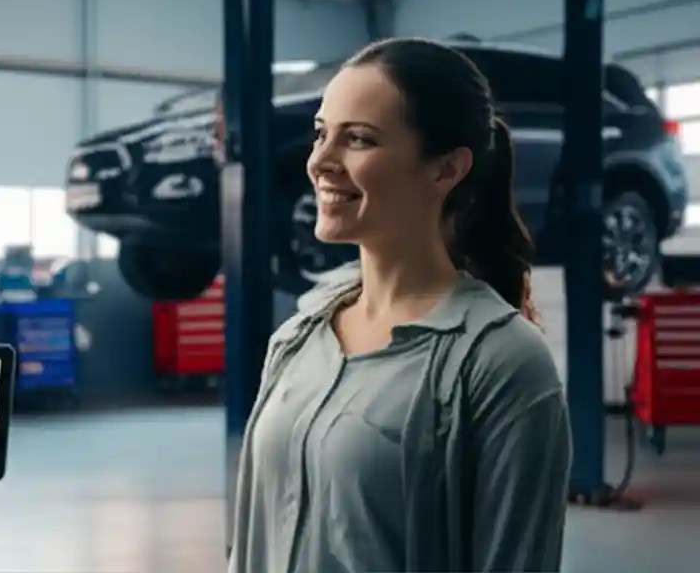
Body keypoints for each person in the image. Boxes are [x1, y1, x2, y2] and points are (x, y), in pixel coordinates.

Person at [228, 37, 572, 573]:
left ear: (446, 169)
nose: (320, 160)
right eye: (322, 134)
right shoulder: (300, 336)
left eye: (359, 139)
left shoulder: (501, 364)